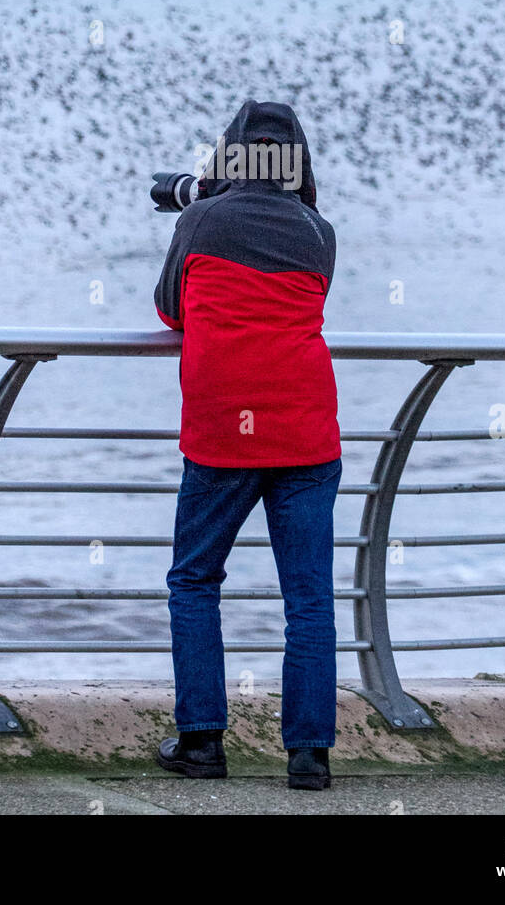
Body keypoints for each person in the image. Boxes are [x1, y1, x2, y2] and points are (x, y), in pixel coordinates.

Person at [153, 99, 341, 790]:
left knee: (195, 581)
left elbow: (170, 308)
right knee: (310, 599)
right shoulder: (319, 232)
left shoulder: (201, 220)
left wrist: (200, 202)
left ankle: (201, 742)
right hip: (307, 432)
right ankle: (309, 756)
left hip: (222, 435)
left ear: (231, 154)